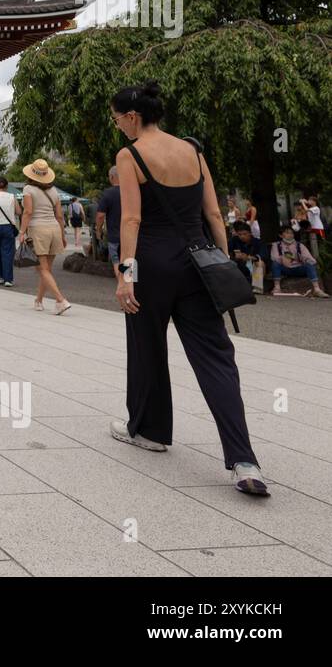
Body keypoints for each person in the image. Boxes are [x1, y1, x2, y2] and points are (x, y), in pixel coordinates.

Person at [108, 82, 268, 496]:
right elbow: (214, 213)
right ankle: (244, 460)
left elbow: (131, 221)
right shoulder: (193, 149)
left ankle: (150, 432)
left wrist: (127, 273)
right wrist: (222, 261)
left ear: (131, 117)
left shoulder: (131, 154)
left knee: (147, 347)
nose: (117, 126)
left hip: (153, 264)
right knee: (216, 358)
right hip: (198, 263)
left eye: (116, 119)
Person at [19, 159, 71, 314]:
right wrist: (62, 235)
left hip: (38, 229)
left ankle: (60, 300)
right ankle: (39, 301)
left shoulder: (28, 189)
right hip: (54, 228)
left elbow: (28, 212)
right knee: (46, 269)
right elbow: (60, 216)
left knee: (42, 269)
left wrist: (22, 232)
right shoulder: (54, 191)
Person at [270, 224, 328, 297]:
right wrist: (284, 258)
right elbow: (274, 258)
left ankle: (317, 289)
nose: (290, 235)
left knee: (309, 265)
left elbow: (311, 260)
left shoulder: (299, 245)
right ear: (281, 235)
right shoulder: (276, 245)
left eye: (291, 233)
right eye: (287, 233)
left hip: (298, 268)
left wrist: (298, 258)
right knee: (275, 264)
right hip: (285, 269)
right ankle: (277, 287)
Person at [95, 166, 122, 277]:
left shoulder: (108, 193)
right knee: (129, 259)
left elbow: (100, 216)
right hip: (131, 235)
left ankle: (121, 283)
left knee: (116, 260)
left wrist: (98, 231)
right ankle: (130, 284)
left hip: (114, 235)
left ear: (111, 177)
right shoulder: (132, 190)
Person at [228, 221, 266, 293]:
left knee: (260, 263)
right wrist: (234, 256)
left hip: (253, 264)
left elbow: (263, 256)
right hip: (239, 265)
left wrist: (249, 257)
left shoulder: (257, 242)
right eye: (240, 234)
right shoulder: (234, 241)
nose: (242, 236)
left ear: (250, 233)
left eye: (245, 234)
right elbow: (226, 252)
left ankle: (257, 287)